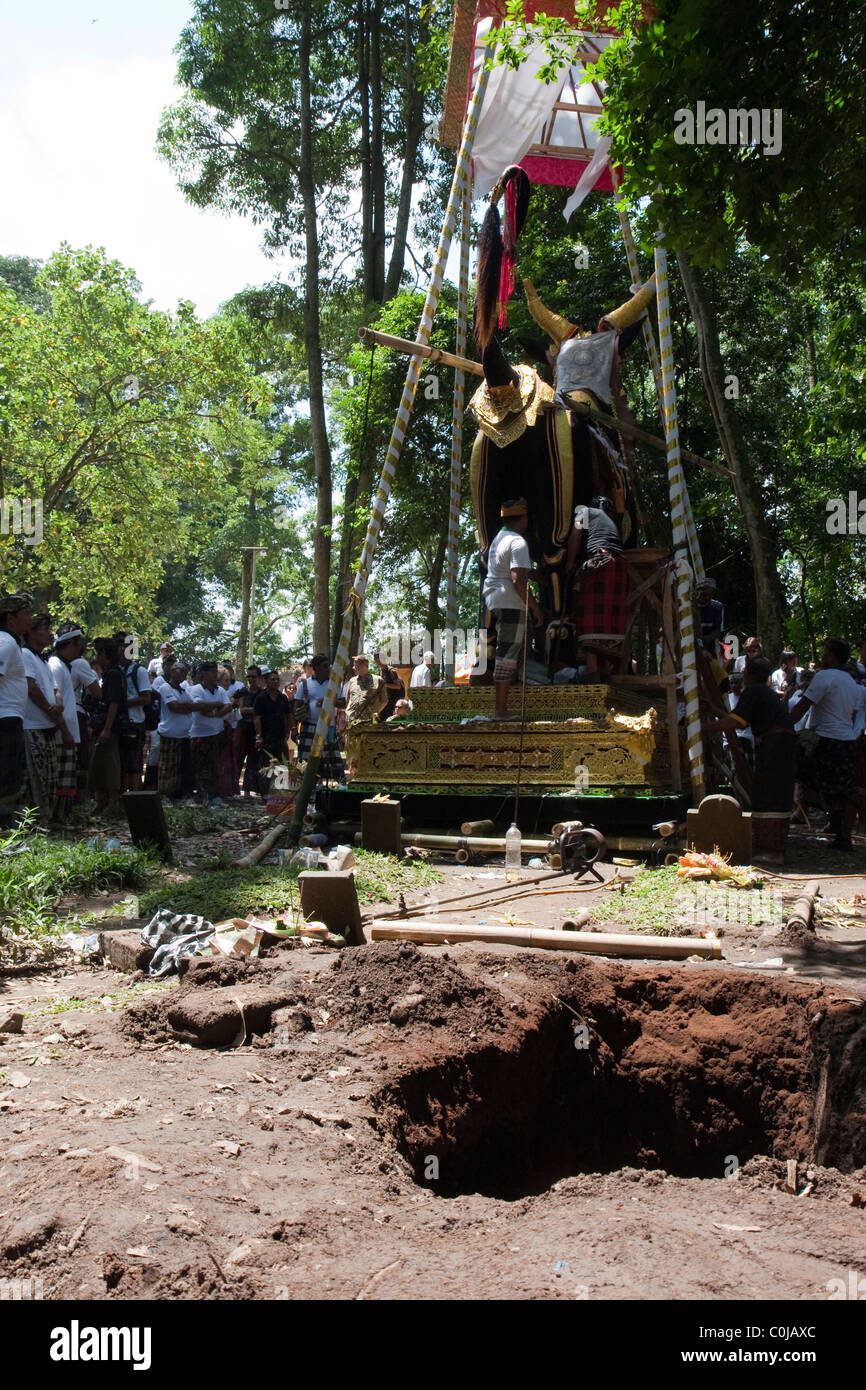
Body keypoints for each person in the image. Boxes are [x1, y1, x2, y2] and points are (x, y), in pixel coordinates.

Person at [704, 656, 797, 864]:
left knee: (769, 794)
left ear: (748, 674)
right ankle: (772, 847)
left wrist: (704, 729)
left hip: (775, 745)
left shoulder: (753, 691)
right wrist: (714, 711)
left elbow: (736, 723)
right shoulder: (763, 692)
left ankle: (773, 851)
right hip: (780, 744)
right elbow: (739, 720)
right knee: (772, 793)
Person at [789, 638, 861, 851]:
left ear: (831, 654)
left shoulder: (824, 677)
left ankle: (798, 809)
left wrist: (781, 726)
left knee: (806, 776)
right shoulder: (850, 681)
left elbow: (802, 706)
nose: (821, 657)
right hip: (847, 741)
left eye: (825, 652)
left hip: (827, 740)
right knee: (845, 791)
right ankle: (843, 835)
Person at [482, 498, 543, 720]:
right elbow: (518, 581)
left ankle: (503, 706)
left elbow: (505, 570)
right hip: (511, 601)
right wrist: (536, 608)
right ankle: (500, 711)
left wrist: (533, 575)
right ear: (524, 519)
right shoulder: (518, 542)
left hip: (497, 599)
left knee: (507, 651)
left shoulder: (499, 538)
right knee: (506, 655)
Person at [565, 496, 628, 676]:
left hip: (601, 561)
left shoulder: (584, 511)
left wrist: (570, 562)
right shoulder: (611, 522)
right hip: (619, 565)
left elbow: (575, 535)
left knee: (591, 617)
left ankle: (592, 670)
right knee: (610, 620)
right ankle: (605, 669)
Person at [21, 615, 65, 823]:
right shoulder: (25, 654)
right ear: (30, 632)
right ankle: (36, 824)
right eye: (45, 629)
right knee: (36, 777)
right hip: (33, 725)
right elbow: (30, 686)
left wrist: (57, 705)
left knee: (50, 777)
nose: (50, 634)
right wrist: (49, 708)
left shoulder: (44, 659)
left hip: (49, 724)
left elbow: (55, 688)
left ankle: (47, 820)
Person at [0, 593, 31, 829]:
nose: (29, 619)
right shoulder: (5, 642)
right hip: (5, 720)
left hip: (10, 718)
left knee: (10, 776)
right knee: (6, 777)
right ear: (11, 618)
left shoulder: (10, 642)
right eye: (25, 614)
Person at [87, 636, 127, 812]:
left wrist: (107, 729)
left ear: (104, 653)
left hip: (109, 728)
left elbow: (114, 703)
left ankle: (112, 804)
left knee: (110, 765)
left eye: (98, 653)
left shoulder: (113, 673)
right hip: (105, 726)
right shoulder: (113, 672)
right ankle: (101, 803)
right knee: (100, 765)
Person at [48, 626, 83, 820]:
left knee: (67, 778)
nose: (80, 648)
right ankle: (56, 818)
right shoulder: (55, 664)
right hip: (62, 735)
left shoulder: (64, 665)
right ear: (69, 644)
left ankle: (62, 817)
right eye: (78, 644)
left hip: (67, 732)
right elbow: (55, 701)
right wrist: (65, 731)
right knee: (60, 780)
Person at [186, 662, 232, 806]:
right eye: (211, 672)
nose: (215, 675)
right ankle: (201, 795)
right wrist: (217, 705)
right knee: (200, 767)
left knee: (214, 766)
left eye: (215, 672)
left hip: (216, 733)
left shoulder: (220, 691)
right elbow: (200, 707)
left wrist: (215, 712)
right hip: (199, 734)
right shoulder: (196, 689)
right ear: (204, 674)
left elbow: (228, 706)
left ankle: (212, 795)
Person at [293, 653, 344, 781]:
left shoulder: (335, 684)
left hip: (328, 727)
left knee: (331, 761)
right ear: (316, 668)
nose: (329, 669)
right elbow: (296, 707)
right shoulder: (304, 684)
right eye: (325, 666)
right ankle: (307, 790)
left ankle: (328, 790)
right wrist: (294, 728)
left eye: (329, 666)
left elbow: (343, 703)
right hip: (309, 726)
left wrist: (329, 700)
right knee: (306, 762)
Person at [115, 632, 151, 793]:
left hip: (134, 723)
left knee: (134, 766)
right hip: (116, 723)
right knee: (118, 764)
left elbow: (146, 698)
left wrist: (122, 703)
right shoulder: (113, 670)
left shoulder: (139, 671)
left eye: (125, 645)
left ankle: (134, 799)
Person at [153, 662, 193, 799]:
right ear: (172, 670)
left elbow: (194, 706)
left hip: (184, 735)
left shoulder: (183, 690)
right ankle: (164, 795)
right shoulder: (165, 687)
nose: (182, 673)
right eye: (180, 670)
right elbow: (174, 706)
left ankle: (178, 794)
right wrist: (186, 707)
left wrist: (185, 706)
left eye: (185, 671)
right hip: (170, 733)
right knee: (167, 767)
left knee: (181, 767)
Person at [253, 670, 293, 784]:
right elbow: (257, 718)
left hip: (280, 737)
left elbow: (288, 715)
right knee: (267, 766)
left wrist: (289, 731)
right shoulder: (260, 698)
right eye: (272, 679)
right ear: (266, 681)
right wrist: (259, 736)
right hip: (266, 737)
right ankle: (265, 793)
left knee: (283, 765)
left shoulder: (283, 698)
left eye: (277, 679)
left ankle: (281, 792)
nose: (275, 682)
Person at [235, 665, 264, 796]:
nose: (251, 679)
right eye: (249, 676)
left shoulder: (263, 694)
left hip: (257, 730)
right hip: (243, 728)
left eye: (253, 676)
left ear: (259, 677)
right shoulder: (242, 691)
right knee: (238, 759)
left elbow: (262, 712)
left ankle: (250, 790)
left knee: (254, 760)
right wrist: (253, 710)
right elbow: (238, 709)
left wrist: (249, 710)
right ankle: (234, 788)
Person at [343, 654, 387, 726]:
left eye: (356, 665)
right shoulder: (352, 680)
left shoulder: (378, 680)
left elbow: (384, 701)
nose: (354, 668)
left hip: (369, 722)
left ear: (364, 665)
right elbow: (348, 699)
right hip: (352, 721)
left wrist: (373, 712)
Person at [695, 579, 725, 655]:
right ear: (697, 592)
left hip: (710, 649)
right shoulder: (689, 607)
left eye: (710, 594)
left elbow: (718, 630)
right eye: (704, 594)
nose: (707, 597)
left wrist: (706, 639)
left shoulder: (717, 607)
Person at [374, 650, 404, 719]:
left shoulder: (391, 671)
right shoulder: (381, 670)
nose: (378, 663)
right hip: (386, 701)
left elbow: (398, 686)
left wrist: (384, 684)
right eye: (376, 661)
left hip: (393, 703)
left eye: (379, 660)